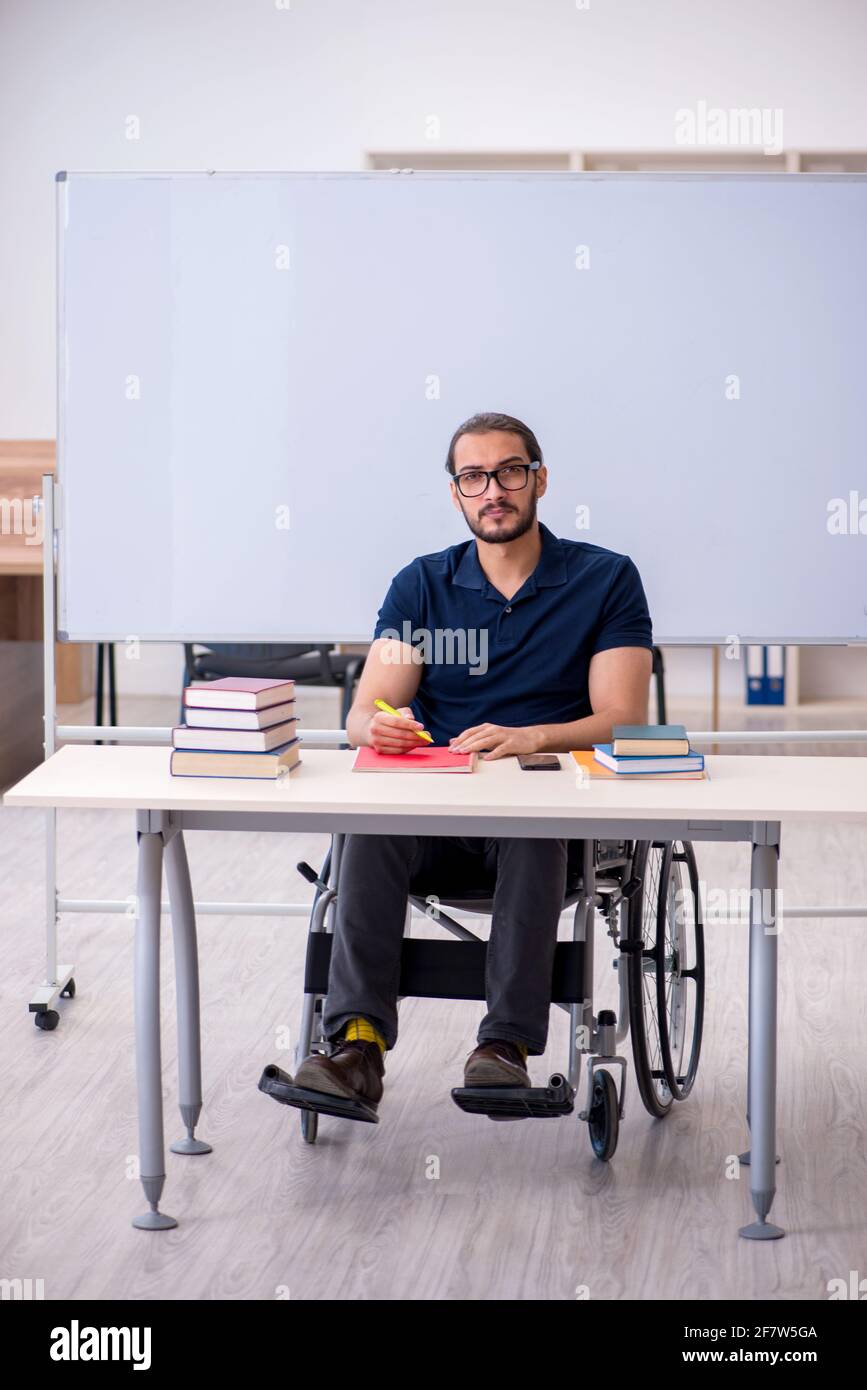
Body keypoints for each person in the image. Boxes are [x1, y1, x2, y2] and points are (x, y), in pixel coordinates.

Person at [293, 411, 653, 1115]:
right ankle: (356, 1048)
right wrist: (380, 728)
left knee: (530, 825)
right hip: (436, 816)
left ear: (539, 480)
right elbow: (366, 711)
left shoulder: (604, 579)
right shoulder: (421, 586)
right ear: (456, 492)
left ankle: (504, 1048)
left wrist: (534, 738)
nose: (494, 490)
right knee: (364, 827)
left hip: (545, 819)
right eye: (474, 477)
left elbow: (623, 719)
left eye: (510, 471)